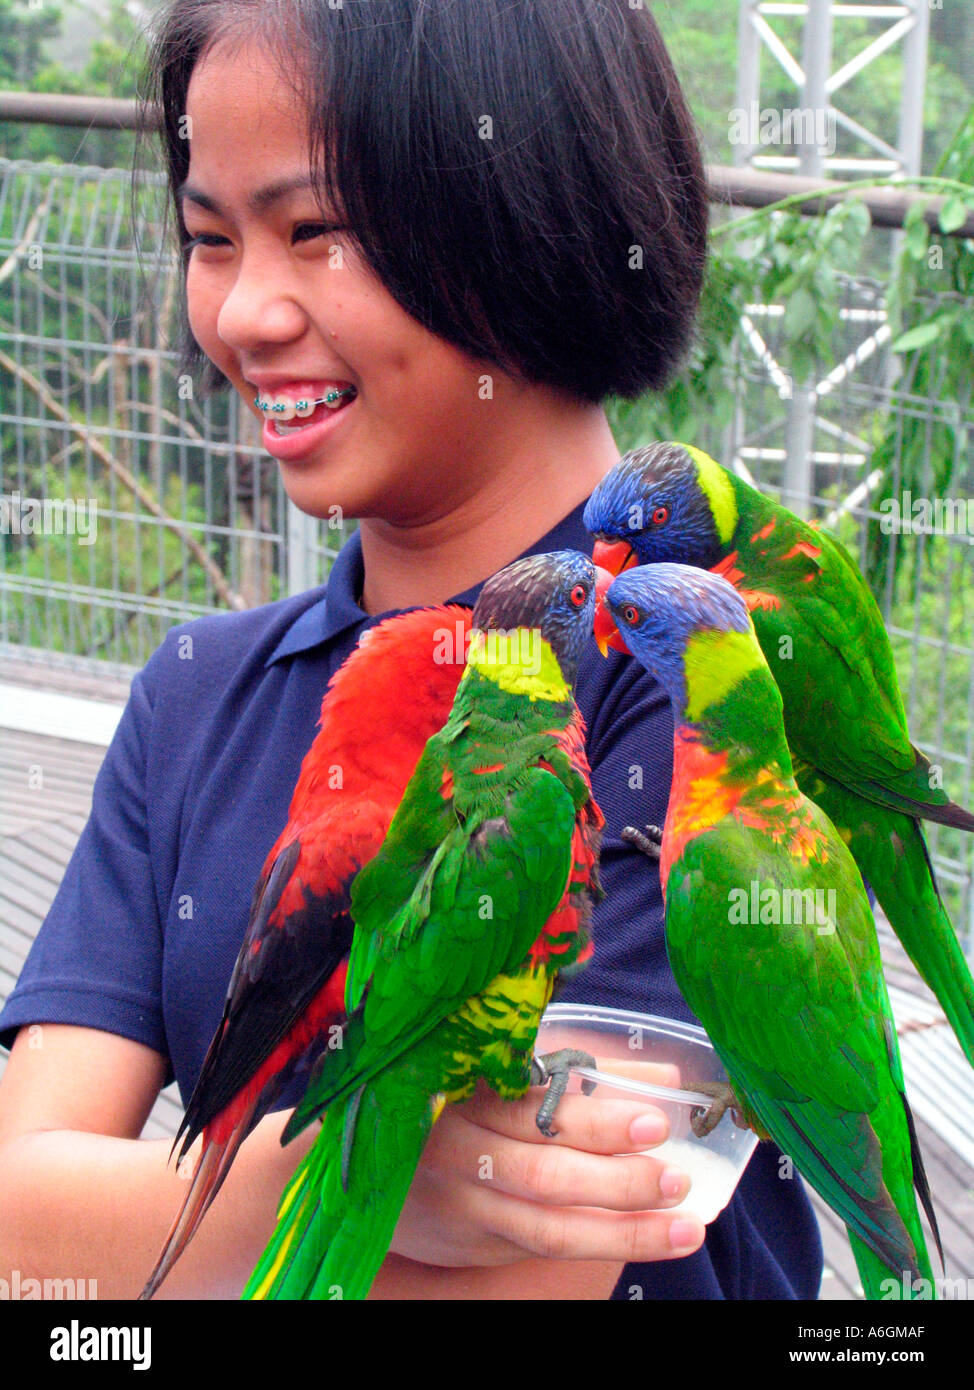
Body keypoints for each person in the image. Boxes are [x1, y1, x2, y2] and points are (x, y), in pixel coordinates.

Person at [0, 0, 823, 1300]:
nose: (246, 313)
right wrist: (385, 1168)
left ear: (530, 209)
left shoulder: (710, 685)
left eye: (315, 231)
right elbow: (15, 1202)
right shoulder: (201, 689)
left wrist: (195, 1213)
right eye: (208, 239)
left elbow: (563, 1244)